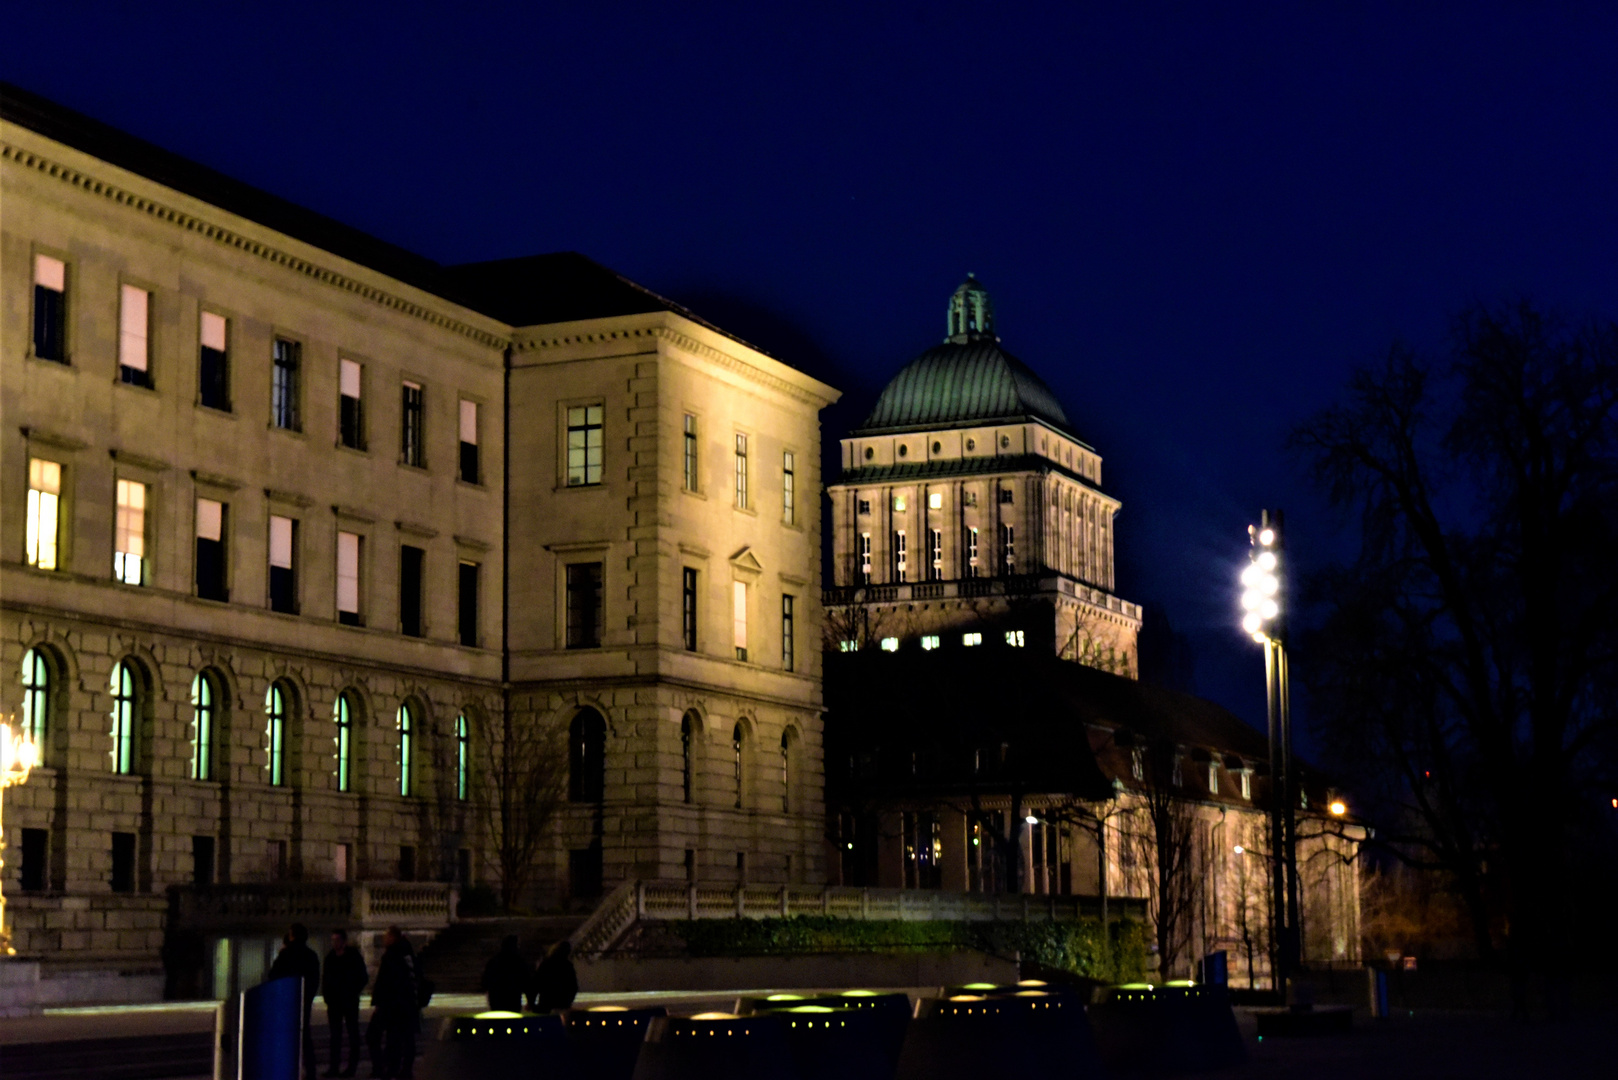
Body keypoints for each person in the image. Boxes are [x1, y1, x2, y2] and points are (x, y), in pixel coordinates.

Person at [266, 922, 322, 1080]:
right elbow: (314, 979)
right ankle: (310, 1072)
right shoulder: (311, 955)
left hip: (286, 1001)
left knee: (287, 1037)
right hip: (304, 1000)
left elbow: (273, 976)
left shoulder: (286, 954)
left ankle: (287, 1069)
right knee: (305, 1036)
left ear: (292, 936)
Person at [367, 926, 420, 1080]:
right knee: (403, 1039)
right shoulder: (408, 953)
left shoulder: (392, 955)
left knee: (381, 1037)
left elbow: (386, 981)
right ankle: (401, 1070)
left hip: (392, 1005)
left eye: (386, 936)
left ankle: (385, 1068)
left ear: (392, 937)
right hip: (406, 1004)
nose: (384, 939)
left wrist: (379, 1002)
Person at [322, 929, 369, 1077]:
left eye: (337, 940)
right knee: (335, 1036)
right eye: (333, 940)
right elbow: (326, 979)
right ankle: (334, 1068)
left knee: (352, 1034)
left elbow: (362, 977)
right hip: (335, 1002)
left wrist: (353, 991)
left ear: (343, 941)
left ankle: (351, 1068)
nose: (334, 943)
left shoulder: (353, 956)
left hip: (349, 1001)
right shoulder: (330, 957)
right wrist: (327, 997)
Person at [481, 934, 529, 1013]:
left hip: (496, 998)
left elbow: (486, 980)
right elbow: (526, 980)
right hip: (513, 998)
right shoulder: (518, 962)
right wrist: (529, 1000)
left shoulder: (494, 961)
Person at [528, 939, 578, 1013]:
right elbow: (573, 987)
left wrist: (531, 1003)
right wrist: (567, 1002)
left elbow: (535, 985)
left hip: (546, 1003)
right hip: (562, 1004)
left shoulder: (546, 964)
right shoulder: (567, 966)